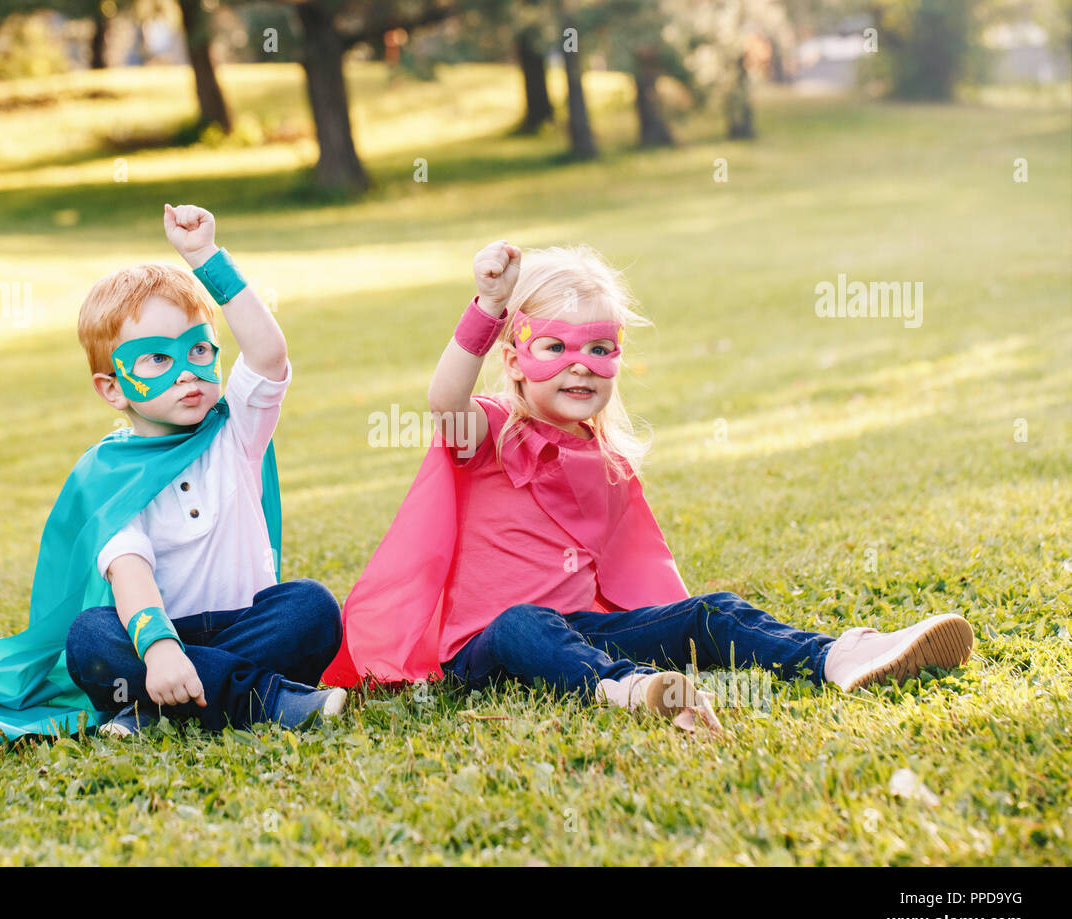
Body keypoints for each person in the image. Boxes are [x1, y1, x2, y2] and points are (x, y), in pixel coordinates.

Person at [322, 240, 973, 737]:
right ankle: (630, 691)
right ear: (516, 360)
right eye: (556, 345)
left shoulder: (600, 455)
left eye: (600, 348)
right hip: (493, 647)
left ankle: (836, 657)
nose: (581, 363)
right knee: (526, 623)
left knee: (707, 612)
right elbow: (443, 399)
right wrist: (489, 306)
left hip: (588, 628)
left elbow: (629, 568)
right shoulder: (493, 429)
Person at [0, 204, 345, 741]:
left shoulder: (236, 429)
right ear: (113, 388)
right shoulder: (107, 475)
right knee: (90, 638)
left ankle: (155, 709)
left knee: (310, 607)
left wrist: (206, 259)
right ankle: (264, 699)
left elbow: (268, 354)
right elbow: (130, 573)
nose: (187, 373)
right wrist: (160, 648)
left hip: (245, 624)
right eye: (155, 359)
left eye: (199, 349)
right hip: (149, 640)